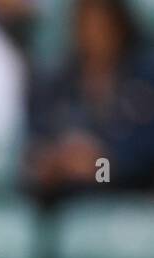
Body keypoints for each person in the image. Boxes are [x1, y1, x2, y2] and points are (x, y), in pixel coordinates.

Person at [26, 0, 154, 200]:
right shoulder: (56, 85)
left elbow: (143, 161)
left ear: (119, 27)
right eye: (85, 25)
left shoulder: (145, 81)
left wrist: (100, 165)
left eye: (101, 26)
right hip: (68, 205)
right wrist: (57, 163)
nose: (93, 35)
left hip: (133, 203)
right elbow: (33, 159)